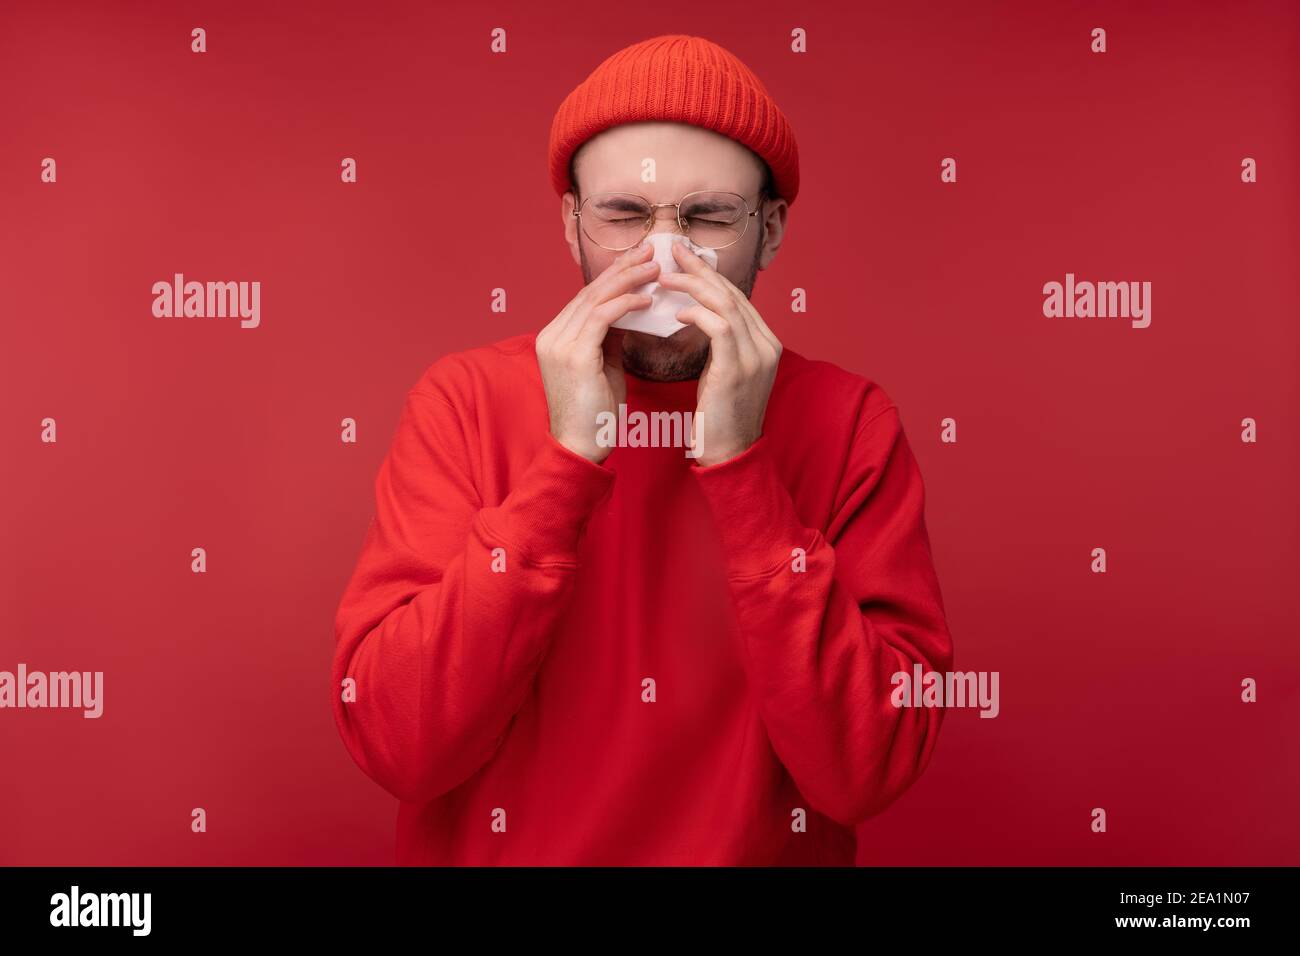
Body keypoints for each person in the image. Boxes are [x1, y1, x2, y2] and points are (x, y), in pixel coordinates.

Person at [331, 33, 954, 865]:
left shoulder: (851, 424)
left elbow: (864, 770)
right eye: (625, 217)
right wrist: (562, 468)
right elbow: (398, 744)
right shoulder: (463, 403)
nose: (664, 262)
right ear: (571, 223)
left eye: (708, 217)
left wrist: (742, 473)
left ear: (768, 233)